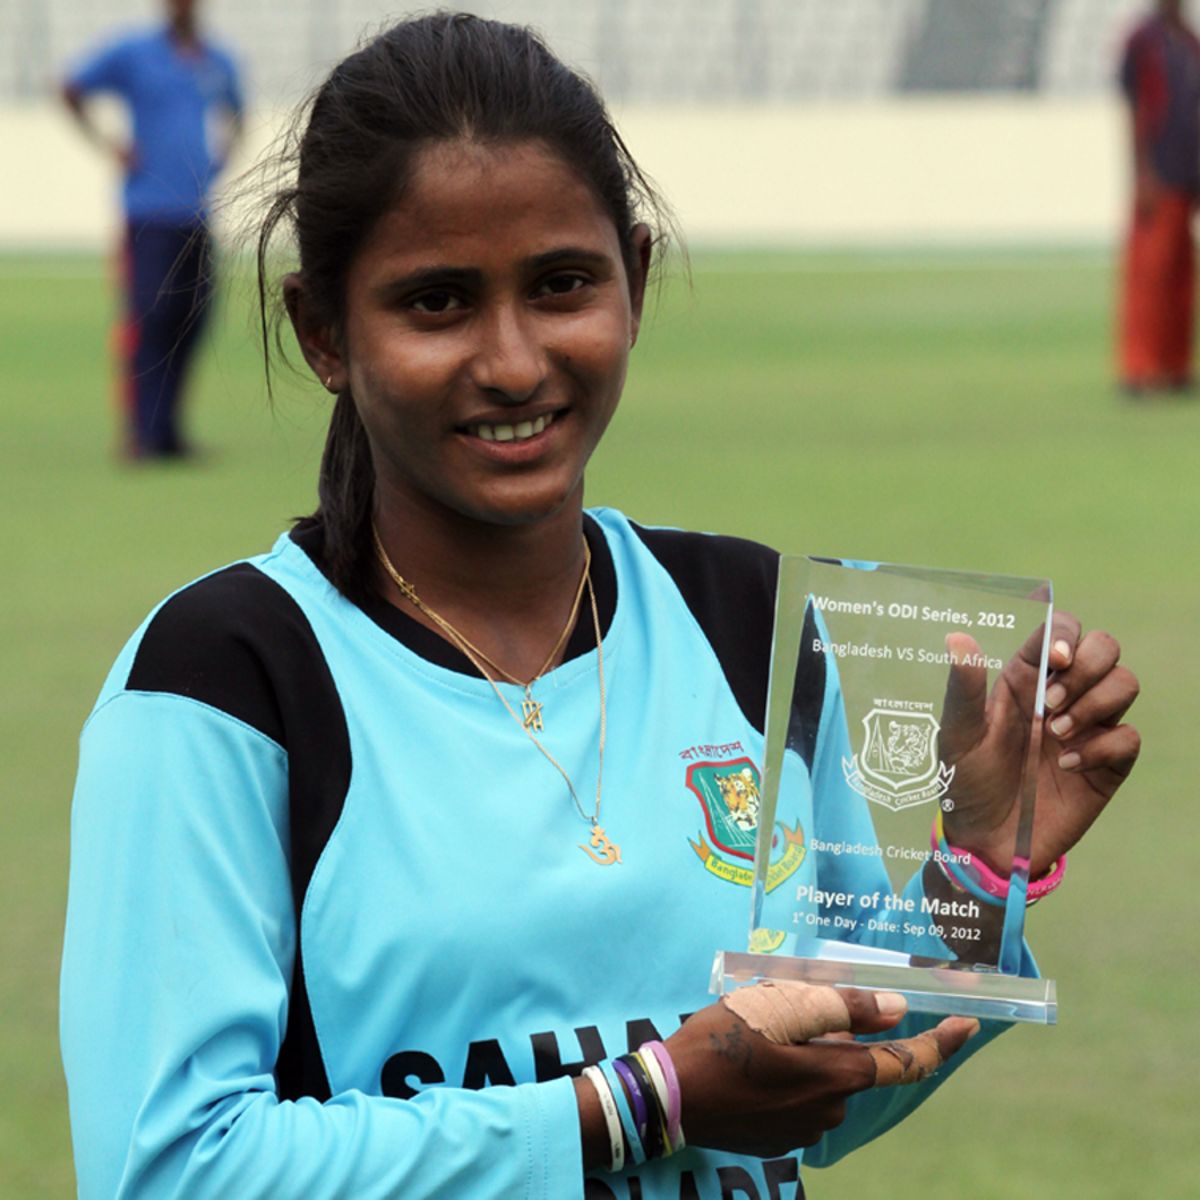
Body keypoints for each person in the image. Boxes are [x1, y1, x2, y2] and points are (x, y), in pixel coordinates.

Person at [60, 13, 1141, 1198]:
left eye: (562, 285)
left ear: (630, 276)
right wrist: (636, 1104)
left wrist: (978, 874)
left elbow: (829, 1087)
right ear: (322, 331)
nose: (516, 360)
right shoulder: (225, 680)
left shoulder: (752, 618)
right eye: (436, 303)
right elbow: (169, 1169)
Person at [62, 0, 244, 459]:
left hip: (197, 215)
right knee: (149, 321)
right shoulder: (133, 52)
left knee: (191, 320)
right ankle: (139, 435)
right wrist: (109, 145)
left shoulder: (216, 60)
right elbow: (70, 87)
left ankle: (168, 432)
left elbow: (236, 113)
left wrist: (219, 161)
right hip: (147, 215)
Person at [1118, 0, 1200, 395]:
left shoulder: (1188, 42)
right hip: (1160, 175)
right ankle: (1141, 367)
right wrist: (1142, 174)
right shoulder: (1142, 41)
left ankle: (1175, 364)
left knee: (1182, 276)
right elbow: (1135, 111)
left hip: (1188, 175)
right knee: (1151, 275)